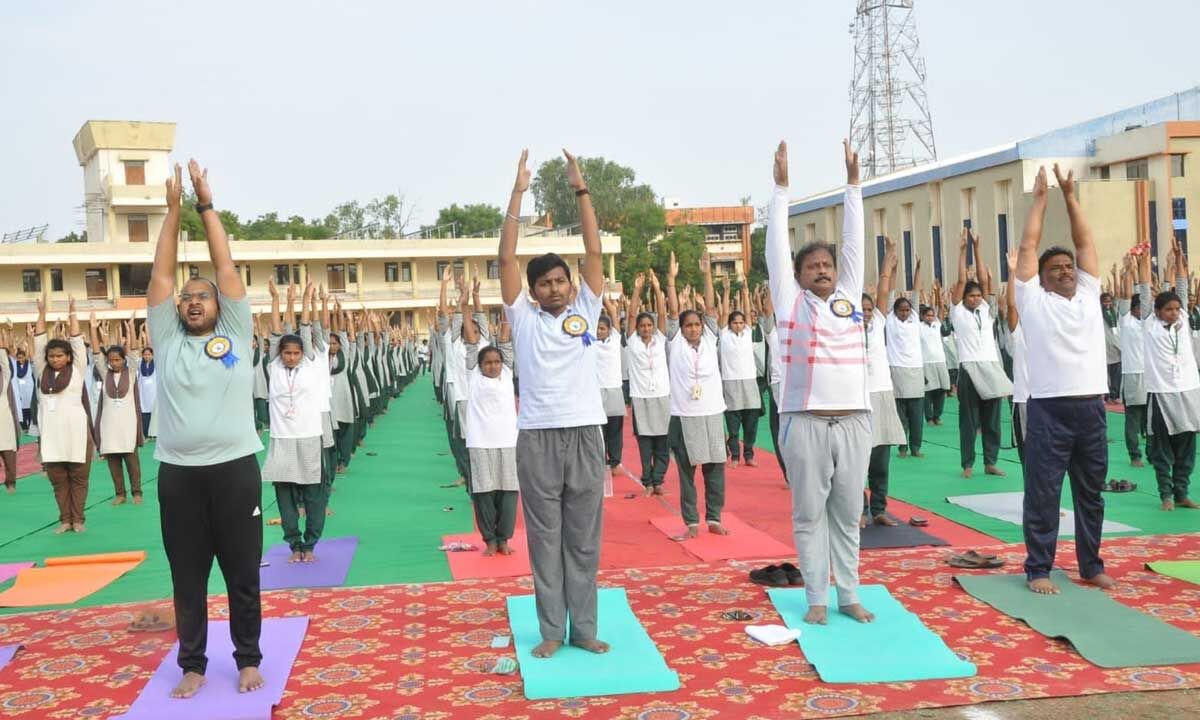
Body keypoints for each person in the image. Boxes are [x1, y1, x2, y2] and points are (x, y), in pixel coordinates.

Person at [147, 160, 265, 697]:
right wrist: (171, 214)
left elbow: (226, 264)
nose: (194, 299)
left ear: (222, 304)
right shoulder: (168, 340)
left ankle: (247, 659)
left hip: (235, 472)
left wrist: (205, 205)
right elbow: (161, 277)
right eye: (187, 297)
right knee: (187, 578)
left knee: (242, 574)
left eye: (205, 295)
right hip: (179, 476)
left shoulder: (238, 333)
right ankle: (192, 664)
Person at [499, 148, 609, 658]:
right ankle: (550, 631)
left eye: (561, 280)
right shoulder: (522, 318)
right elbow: (505, 259)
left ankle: (584, 628)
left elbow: (592, 250)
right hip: (537, 437)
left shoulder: (587, 306)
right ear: (534, 290)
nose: (555, 288)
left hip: (586, 432)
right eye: (545, 283)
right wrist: (519, 192)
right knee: (545, 541)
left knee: (583, 540)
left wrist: (580, 189)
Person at [767, 140, 874, 624]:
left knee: (848, 516)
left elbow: (853, 244)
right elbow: (775, 248)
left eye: (827, 265)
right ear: (798, 275)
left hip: (854, 421)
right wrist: (781, 190)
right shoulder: (789, 304)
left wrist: (854, 185)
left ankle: (848, 593)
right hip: (805, 424)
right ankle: (815, 598)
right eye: (813, 267)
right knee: (809, 517)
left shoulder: (850, 298)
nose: (824, 270)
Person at [1014, 164, 1113, 595]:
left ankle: (1091, 565)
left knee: (1090, 494)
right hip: (1049, 409)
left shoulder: (1090, 294)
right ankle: (1039, 568)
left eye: (1068, 266)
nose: (1064, 270)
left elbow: (1086, 241)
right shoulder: (1032, 300)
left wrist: (1072, 197)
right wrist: (1040, 201)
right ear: (1042, 275)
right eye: (1054, 267)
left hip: (1092, 407)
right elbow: (1028, 244)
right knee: (1044, 494)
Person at [263, 281, 329, 563]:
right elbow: (278, 332)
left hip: (309, 437)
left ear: (303, 354)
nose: (290, 357)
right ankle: (295, 545)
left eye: (295, 353)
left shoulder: (311, 365)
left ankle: (311, 545)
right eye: (287, 353)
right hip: (282, 440)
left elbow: (303, 329)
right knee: (286, 499)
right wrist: (279, 299)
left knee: (314, 498)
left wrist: (304, 299)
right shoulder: (274, 367)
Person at [665, 251, 729, 537]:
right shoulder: (674, 342)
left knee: (715, 471)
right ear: (681, 328)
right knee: (687, 475)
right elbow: (670, 311)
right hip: (684, 416)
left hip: (712, 413)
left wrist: (706, 274)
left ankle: (714, 518)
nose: (693, 328)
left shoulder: (711, 338)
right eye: (688, 325)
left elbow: (712, 307)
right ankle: (691, 522)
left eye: (696, 324)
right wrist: (670, 282)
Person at [1138, 238, 1200, 511]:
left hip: (1188, 391)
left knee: (1187, 447)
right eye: (1169, 309)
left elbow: (1183, 288)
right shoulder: (1148, 326)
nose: (1175, 313)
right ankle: (1165, 494)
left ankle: (1182, 492)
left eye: (1176, 308)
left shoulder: (1184, 321)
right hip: (1161, 394)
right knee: (1162, 449)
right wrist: (1143, 259)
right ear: (1157, 311)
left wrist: (1178, 256)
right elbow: (1142, 289)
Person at [950, 229, 1012, 478]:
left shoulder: (986, 309)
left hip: (991, 366)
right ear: (964, 297)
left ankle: (990, 461)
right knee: (969, 420)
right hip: (969, 368)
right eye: (971, 296)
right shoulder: (958, 312)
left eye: (977, 295)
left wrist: (978, 247)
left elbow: (985, 280)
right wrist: (963, 250)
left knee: (993, 418)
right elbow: (962, 280)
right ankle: (968, 464)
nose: (976, 298)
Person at [463, 312, 520, 556]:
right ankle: (490, 540)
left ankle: (504, 538)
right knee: (484, 493)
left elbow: (505, 339)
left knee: (508, 492)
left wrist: (509, 310)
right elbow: (472, 341)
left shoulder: (507, 374)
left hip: (508, 442)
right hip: (480, 443)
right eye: (488, 363)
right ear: (479, 364)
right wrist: (466, 308)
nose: (494, 366)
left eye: (497, 362)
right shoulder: (473, 375)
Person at [34, 295, 92, 533]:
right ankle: (64, 520)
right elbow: (39, 342)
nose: (55, 359)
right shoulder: (41, 371)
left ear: (69, 357)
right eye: (52, 356)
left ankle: (78, 520)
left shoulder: (78, 369)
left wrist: (72, 311)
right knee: (58, 481)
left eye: (60, 355)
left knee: (78, 480)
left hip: (76, 434)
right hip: (51, 436)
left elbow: (77, 341)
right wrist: (41, 314)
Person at [863, 243, 908, 526]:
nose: (867, 312)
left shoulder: (879, 322)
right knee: (857, 459)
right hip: (857, 399)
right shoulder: (845, 329)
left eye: (869, 308)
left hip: (882, 394)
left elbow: (882, 292)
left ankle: (879, 509)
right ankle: (859, 510)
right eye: (862, 309)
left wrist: (886, 268)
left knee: (881, 459)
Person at [624, 271, 671, 495]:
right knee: (645, 443)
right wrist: (637, 289)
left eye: (648, 326)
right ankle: (647, 481)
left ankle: (658, 479)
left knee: (662, 442)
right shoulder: (632, 341)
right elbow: (631, 314)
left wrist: (657, 286)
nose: (645, 329)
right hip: (641, 397)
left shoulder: (661, 339)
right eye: (642, 326)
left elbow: (662, 313)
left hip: (662, 395)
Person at [90, 314, 144, 506]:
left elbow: (135, 352)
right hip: (108, 425)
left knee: (132, 462)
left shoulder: (131, 372)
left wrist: (131, 329)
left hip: (128, 425)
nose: (114, 363)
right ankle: (120, 494)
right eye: (111, 360)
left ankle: (136, 492)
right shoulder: (105, 373)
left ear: (123, 360)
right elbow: (96, 354)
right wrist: (94, 329)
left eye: (117, 360)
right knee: (113, 462)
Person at [883, 247, 926, 458]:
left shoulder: (915, 318)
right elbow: (890, 291)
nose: (905, 312)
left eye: (907, 309)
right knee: (900, 413)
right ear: (895, 310)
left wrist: (918, 269)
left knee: (917, 413)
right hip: (897, 370)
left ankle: (916, 447)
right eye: (901, 310)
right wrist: (893, 268)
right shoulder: (890, 319)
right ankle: (902, 446)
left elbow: (916, 293)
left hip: (916, 370)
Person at [717, 272, 762, 468]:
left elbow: (747, 309)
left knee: (751, 424)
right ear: (729, 324)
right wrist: (727, 291)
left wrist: (745, 291)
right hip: (731, 383)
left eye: (741, 322)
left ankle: (749, 454)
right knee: (733, 425)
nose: (738, 325)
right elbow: (725, 313)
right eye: (735, 322)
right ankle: (735, 455)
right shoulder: (724, 334)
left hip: (750, 383)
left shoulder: (747, 333)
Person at [594, 299, 628, 486]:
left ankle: (615, 461)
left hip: (614, 390)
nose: (600, 331)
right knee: (599, 431)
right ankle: (600, 462)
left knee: (615, 430)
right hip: (596, 392)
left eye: (603, 328)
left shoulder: (615, 339)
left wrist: (603, 298)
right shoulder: (589, 342)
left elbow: (614, 315)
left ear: (609, 330)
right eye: (597, 328)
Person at [920, 297, 952, 426]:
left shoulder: (937, 324)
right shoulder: (918, 327)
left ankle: (937, 416)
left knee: (941, 390)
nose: (930, 317)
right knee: (928, 392)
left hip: (940, 361)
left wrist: (939, 296)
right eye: (927, 315)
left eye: (932, 315)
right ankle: (929, 418)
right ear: (922, 316)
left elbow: (940, 310)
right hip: (926, 362)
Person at [0, 327, 21, 493]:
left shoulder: (4, 381)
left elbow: (5, 365)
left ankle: (11, 483)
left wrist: (2, 339)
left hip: (5, 424)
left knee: (9, 456)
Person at [135, 332, 157, 439]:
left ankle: (155, 434)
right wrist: (141, 338)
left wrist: (146, 336)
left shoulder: (156, 363)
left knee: (154, 413)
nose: (147, 356)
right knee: (144, 414)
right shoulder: (139, 363)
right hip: (143, 393)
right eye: (145, 354)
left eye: (149, 354)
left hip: (154, 393)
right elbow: (138, 349)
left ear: (152, 355)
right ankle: (146, 434)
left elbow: (151, 346)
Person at [1102, 291, 1122, 403]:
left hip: (1116, 347)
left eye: (1109, 301)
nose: (1107, 303)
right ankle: (1105, 396)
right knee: (1105, 374)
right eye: (1105, 301)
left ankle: (1114, 395)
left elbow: (1120, 297)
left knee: (1116, 374)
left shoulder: (1116, 312)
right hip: (1105, 347)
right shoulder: (1098, 314)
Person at [13, 347, 34, 431]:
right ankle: (24, 426)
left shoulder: (29, 365)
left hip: (29, 390)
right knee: (22, 408)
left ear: (25, 357)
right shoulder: (15, 366)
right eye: (18, 358)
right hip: (20, 391)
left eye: (21, 357)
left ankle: (31, 425)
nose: (20, 359)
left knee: (30, 408)